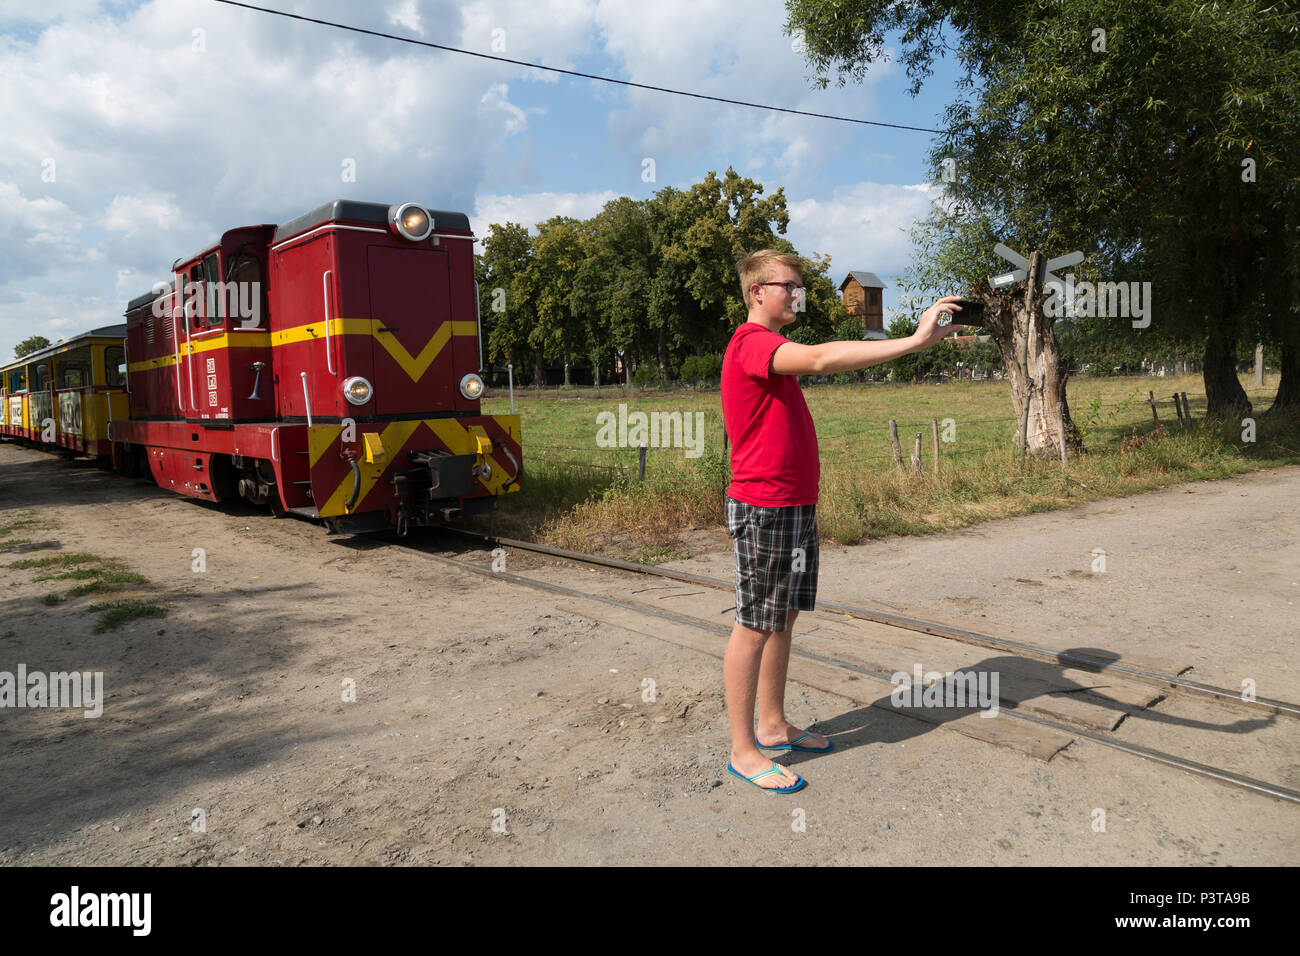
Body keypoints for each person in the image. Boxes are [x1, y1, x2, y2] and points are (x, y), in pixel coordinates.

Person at [720, 249, 967, 793]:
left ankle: (772, 722)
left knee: (783, 618)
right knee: (755, 622)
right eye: (789, 285)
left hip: (792, 504)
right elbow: (820, 360)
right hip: (763, 505)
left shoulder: (770, 347)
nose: (798, 294)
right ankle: (743, 749)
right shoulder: (751, 342)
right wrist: (912, 342)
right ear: (758, 292)